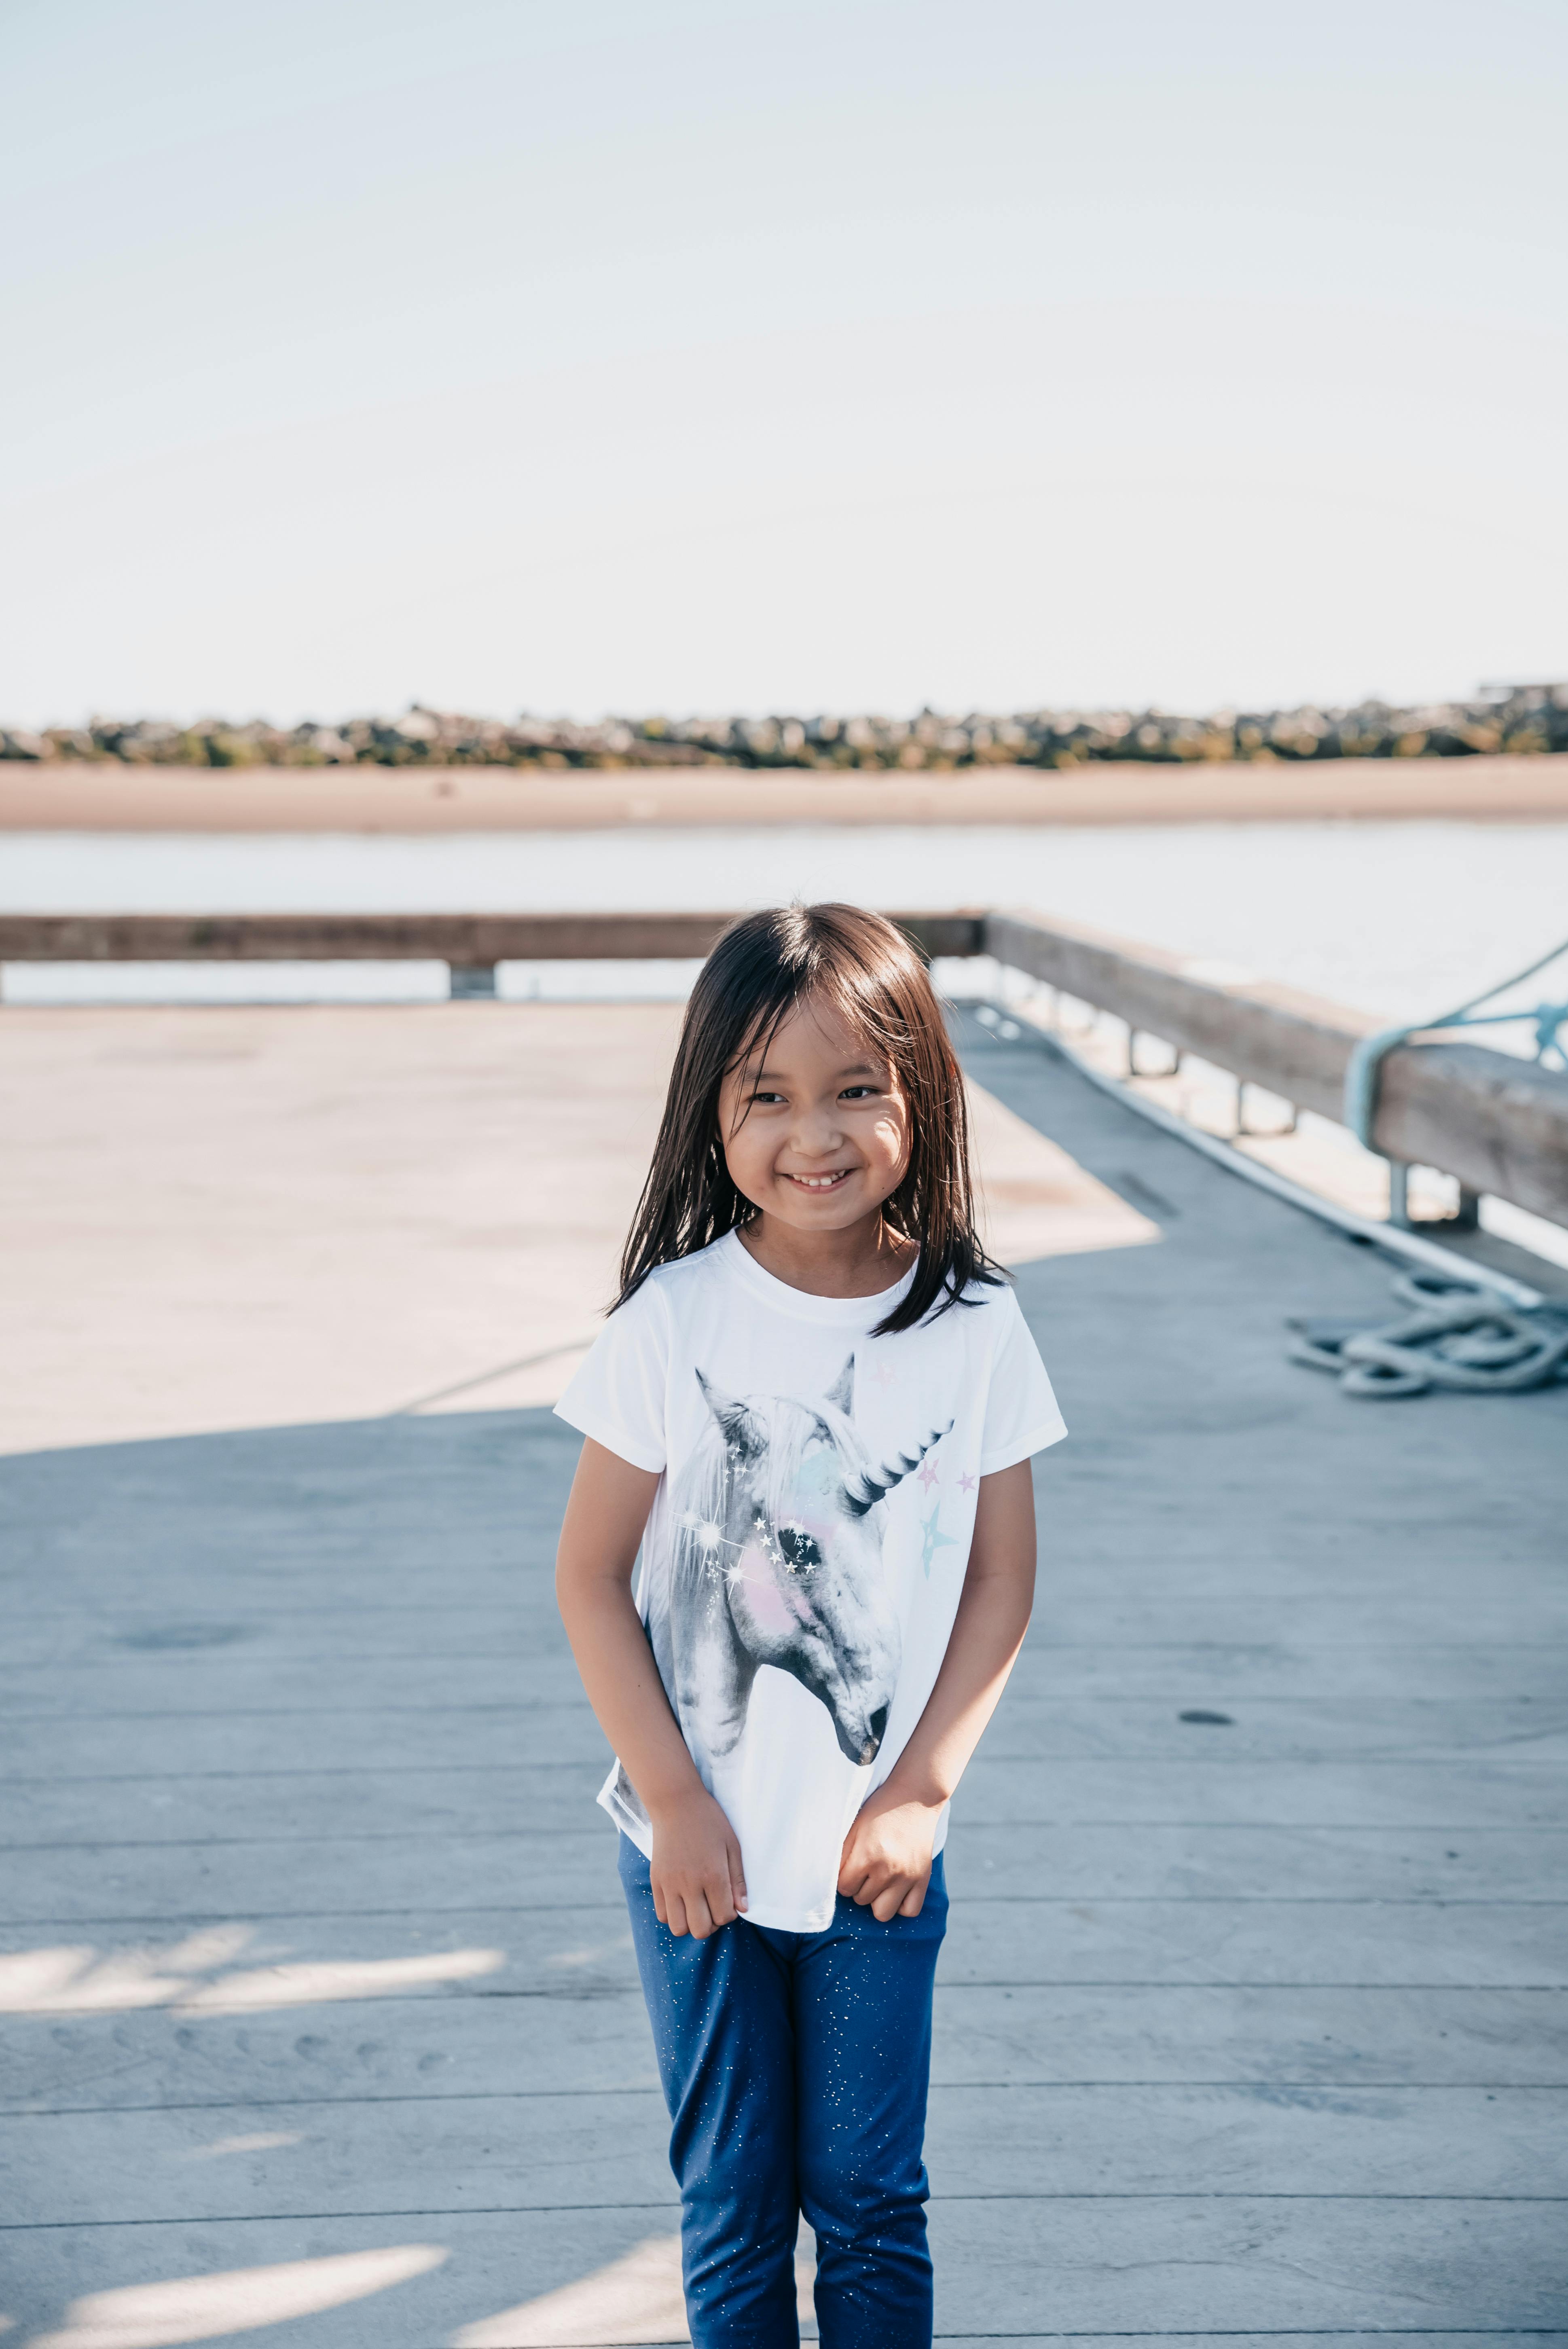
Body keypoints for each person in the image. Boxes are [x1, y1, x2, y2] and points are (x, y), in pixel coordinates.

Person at [554, 902, 1065, 2348]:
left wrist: (920, 1794)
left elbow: (1001, 1582)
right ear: (710, 1112)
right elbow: (589, 1577)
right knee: (730, 2203)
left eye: (856, 1088)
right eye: (765, 1096)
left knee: (869, 2199)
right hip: (696, 1854)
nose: (813, 1134)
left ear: (923, 1093)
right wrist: (671, 1800)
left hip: (874, 1860)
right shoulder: (672, 1322)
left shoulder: (974, 1327)